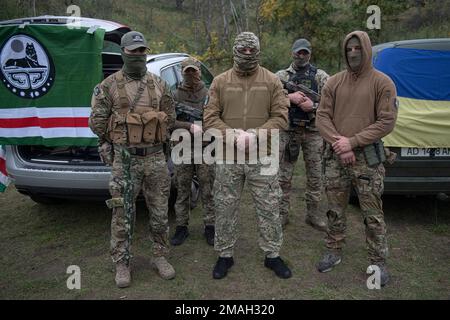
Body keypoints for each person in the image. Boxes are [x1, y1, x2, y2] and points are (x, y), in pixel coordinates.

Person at [89, 31, 176, 288]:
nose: (138, 55)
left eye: (142, 51)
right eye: (133, 51)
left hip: (156, 158)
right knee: (122, 213)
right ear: (123, 53)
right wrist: (121, 136)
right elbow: (97, 123)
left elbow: (170, 116)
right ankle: (122, 262)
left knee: (160, 213)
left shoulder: (159, 84)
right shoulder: (108, 86)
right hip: (125, 160)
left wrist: (151, 128)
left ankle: (160, 256)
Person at [203, 31, 292, 279]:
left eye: (253, 51)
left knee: (268, 206)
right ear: (235, 50)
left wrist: (255, 135)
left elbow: (281, 117)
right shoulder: (220, 82)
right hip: (228, 156)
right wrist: (232, 135)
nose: (248, 55)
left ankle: (272, 255)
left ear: (258, 51)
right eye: (244, 50)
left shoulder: (272, 81)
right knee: (225, 206)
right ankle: (225, 254)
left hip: (262, 155)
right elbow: (210, 117)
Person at [315, 31, 398, 286]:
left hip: (367, 160)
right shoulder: (334, 82)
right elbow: (322, 116)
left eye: (358, 48)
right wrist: (341, 144)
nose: (353, 53)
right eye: (349, 49)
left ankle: (378, 262)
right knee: (334, 209)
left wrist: (352, 142)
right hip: (337, 156)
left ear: (367, 50)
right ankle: (334, 250)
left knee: (372, 213)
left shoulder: (382, 83)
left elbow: (387, 121)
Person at [276, 38, 330, 231]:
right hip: (288, 131)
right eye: (298, 52)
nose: (301, 56)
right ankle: (282, 215)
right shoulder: (281, 76)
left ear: (310, 53)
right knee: (283, 175)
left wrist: (313, 106)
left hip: (313, 132)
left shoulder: (321, 77)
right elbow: (268, 98)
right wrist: (289, 97)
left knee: (315, 176)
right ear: (292, 52)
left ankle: (313, 215)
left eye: (305, 52)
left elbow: (334, 102)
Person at [170, 57, 215, 246]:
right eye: (187, 71)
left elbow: (217, 118)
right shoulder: (173, 95)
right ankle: (181, 227)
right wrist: (189, 125)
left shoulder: (209, 94)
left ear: (199, 71)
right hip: (182, 148)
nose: (191, 75)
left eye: (194, 71)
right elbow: (168, 121)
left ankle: (210, 226)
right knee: (182, 189)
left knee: (208, 189)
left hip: (205, 147)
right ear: (182, 72)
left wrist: (205, 127)